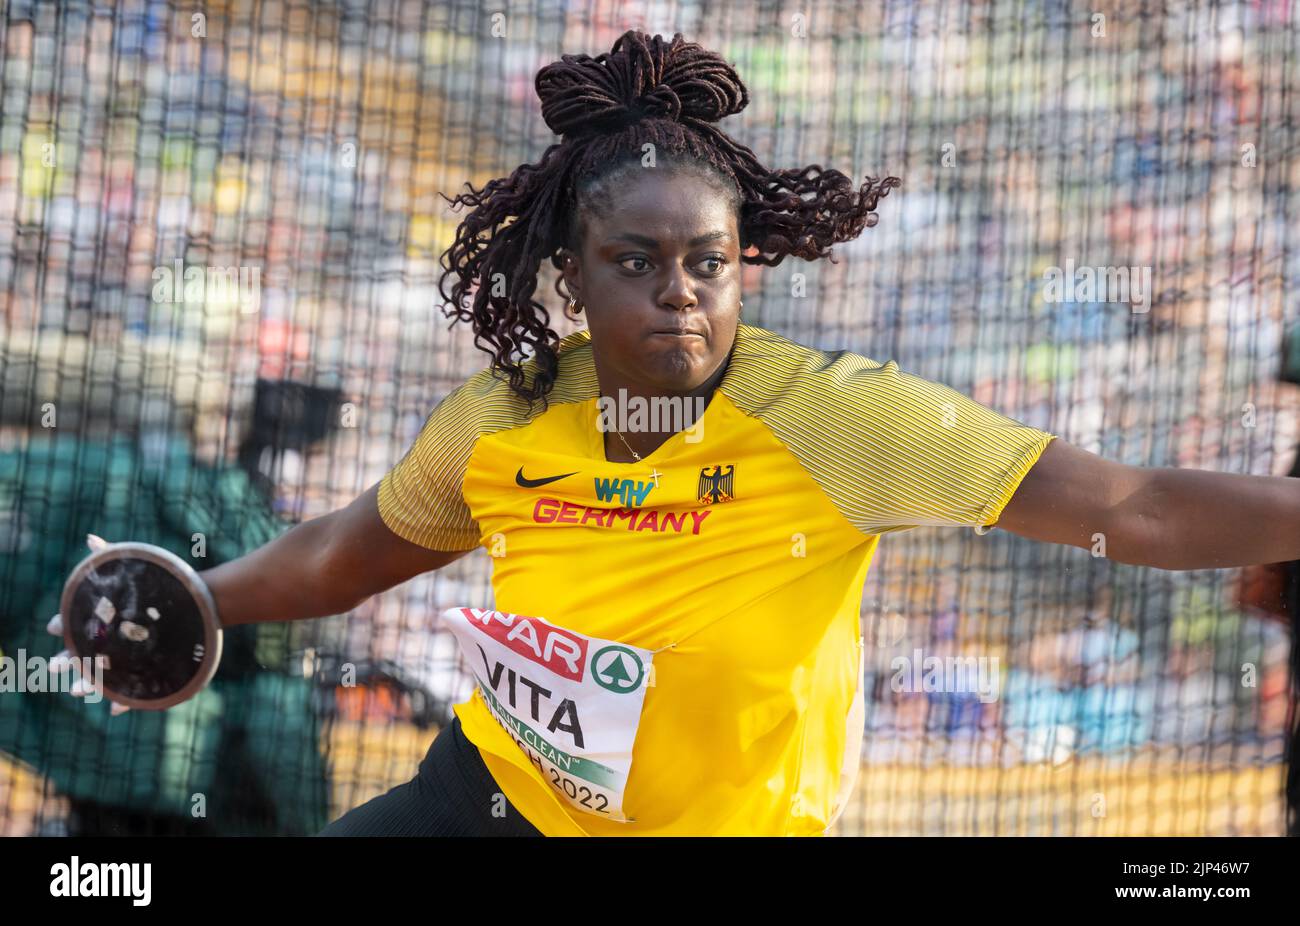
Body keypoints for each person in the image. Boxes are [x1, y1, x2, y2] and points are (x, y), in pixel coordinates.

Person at [48, 30, 1300, 836]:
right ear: (571, 274)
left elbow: (1129, 507)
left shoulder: (839, 415)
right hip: (491, 796)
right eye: (635, 261)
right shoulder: (503, 418)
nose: (680, 290)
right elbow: (350, 550)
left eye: (708, 261)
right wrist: (196, 593)